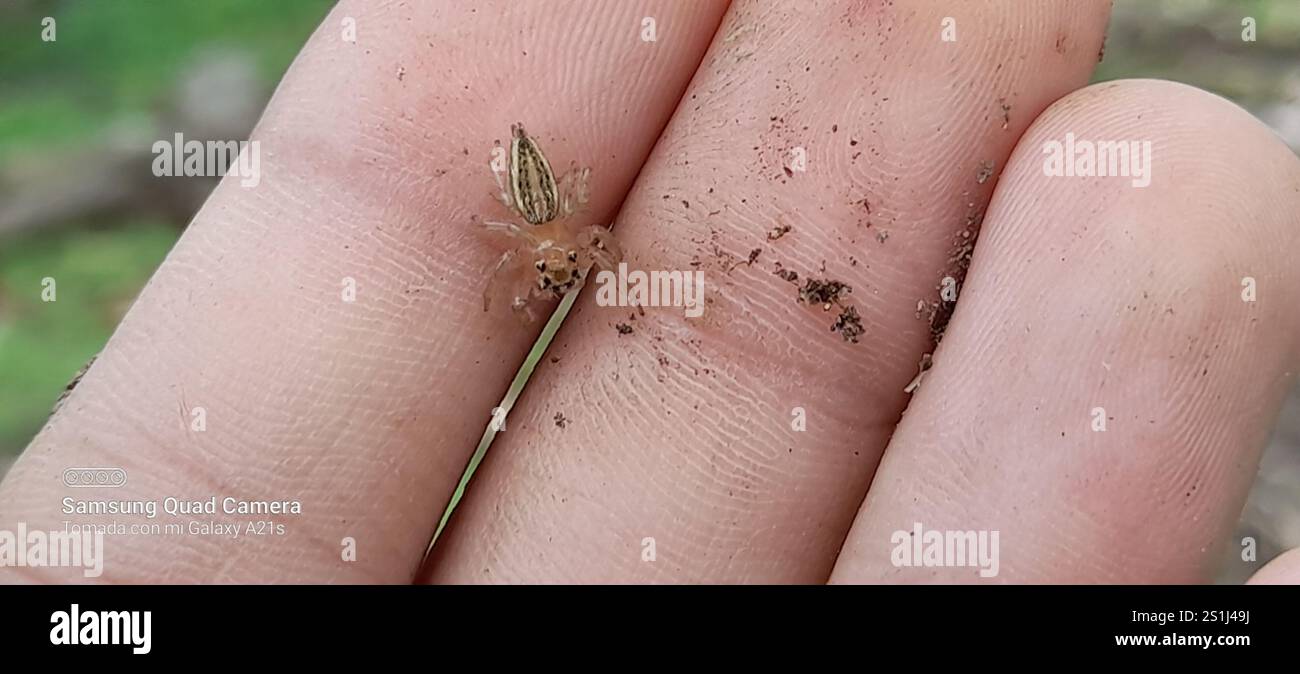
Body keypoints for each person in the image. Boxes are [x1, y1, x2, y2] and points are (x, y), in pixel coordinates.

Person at [2, 0, 1298, 584]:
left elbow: (581, 234)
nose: (561, 268)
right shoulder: (528, 230)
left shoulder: (570, 226)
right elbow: (534, 240)